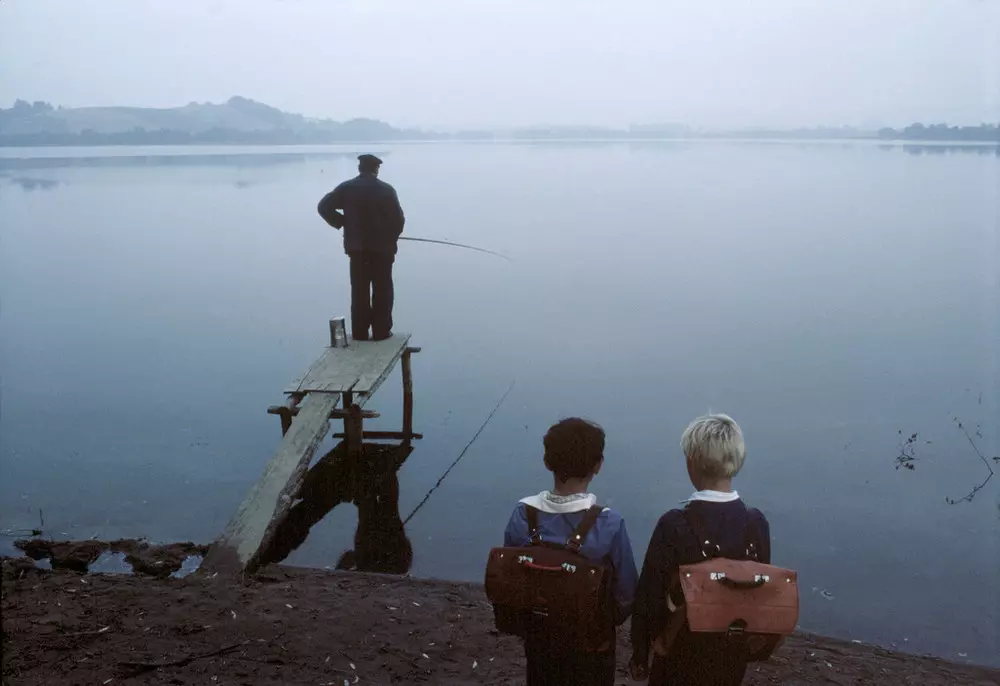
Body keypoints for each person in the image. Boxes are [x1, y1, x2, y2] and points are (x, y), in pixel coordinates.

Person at [629, 413, 771, 686]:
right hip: (731, 652)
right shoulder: (756, 523)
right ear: (737, 460)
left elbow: (649, 597)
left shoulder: (674, 524)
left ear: (691, 462)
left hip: (679, 650)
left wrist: (640, 652)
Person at [502, 418, 639, 686]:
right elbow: (626, 592)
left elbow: (510, 575)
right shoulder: (609, 523)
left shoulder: (522, 514)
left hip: (539, 635)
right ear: (597, 465)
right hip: (592, 642)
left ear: (547, 462)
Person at [317, 154, 405, 341]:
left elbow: (323, 207)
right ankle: (381, 332)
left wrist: (342, 222)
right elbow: (399, 221)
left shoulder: (346, 188)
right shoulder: (387, 190)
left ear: (359, 168)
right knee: (383, 290)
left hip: (357, 250)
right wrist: (391, 238)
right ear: (376, 169)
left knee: (359, 291)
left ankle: (360, 333)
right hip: (383, 250)